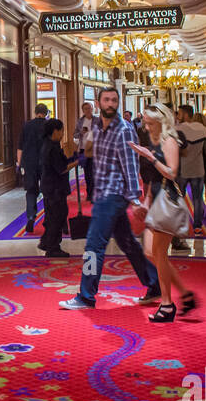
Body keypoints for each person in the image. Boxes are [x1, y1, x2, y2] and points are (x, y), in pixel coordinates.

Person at [59, 87, 161, 310]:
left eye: (114, 100)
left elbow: (130, 165)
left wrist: (134, 199)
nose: (110, 104)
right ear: (98, 103)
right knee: (128, 243)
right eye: (106, 100)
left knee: (94, 246)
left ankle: (86, 296)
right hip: (103, 194)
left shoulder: (123, 130)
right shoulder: (97, 127)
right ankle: (154, 283)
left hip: (113, 197)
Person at [131, 105, 195, 323]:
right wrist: (146, 201)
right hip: (157, 198)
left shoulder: (169, 140)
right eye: (145, 123)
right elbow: (151, 178)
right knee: (151, 252)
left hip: (168, 199)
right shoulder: (155, 141)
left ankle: (167, 304)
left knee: (158, 252)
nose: (146, 127)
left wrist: (150, 157)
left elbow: (171, 172)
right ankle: (184, 293)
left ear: (162, 121)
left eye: (150, 123)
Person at [175, 105, 206, 236]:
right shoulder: (202, 129)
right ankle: (197, 226)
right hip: (198, 169)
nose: (178, 116)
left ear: (185, 115)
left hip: (181, 170)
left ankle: (179, 225)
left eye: (179, 114)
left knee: (178, 198)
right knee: (197, 199)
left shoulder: (178, 130)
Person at [38, 118, 72, 258]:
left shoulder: (47, 144)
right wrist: (76, 162)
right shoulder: (52, 148)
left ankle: (46, 241)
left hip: (49, 186)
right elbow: (61, 169)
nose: (62, 133)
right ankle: (53, 247)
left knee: (51, 215)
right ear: (55, 131)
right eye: (61, 131)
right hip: (55, 187)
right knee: (57, 216)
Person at [16, 103, 49, 234]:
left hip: (29, 163)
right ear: (46, 113)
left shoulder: (26, 125)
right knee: (47, 191)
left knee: (31, 191)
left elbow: (20, 147)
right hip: (45, 162)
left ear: (35, 112)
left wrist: (19, 164)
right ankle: (48, 218)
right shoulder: (49, 125)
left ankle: (31, 216)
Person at [74, 102, 101, 201]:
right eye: (85, 108)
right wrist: (80, 133)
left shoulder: (97, 120)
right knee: (87, 173)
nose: (88, 110)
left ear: (92, 109)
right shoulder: (80, 121)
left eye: (89, 108)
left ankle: (95, 193)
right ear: (83, 110)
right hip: (83, 149)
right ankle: (89, 193)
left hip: (94, 149)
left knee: (95, 171)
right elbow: (75, 135)